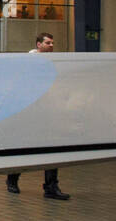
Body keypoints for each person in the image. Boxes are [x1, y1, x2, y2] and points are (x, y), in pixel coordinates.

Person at [6, 33, 70, 199]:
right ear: (38, 44)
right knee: (22, 148)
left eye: (53, 43)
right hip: (29, 113)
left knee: (52, 148)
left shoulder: (52, 64)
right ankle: (12, 179)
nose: (51, 46)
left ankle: (51, 187)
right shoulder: (27, 63)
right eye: (48, 43)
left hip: (47, 112)